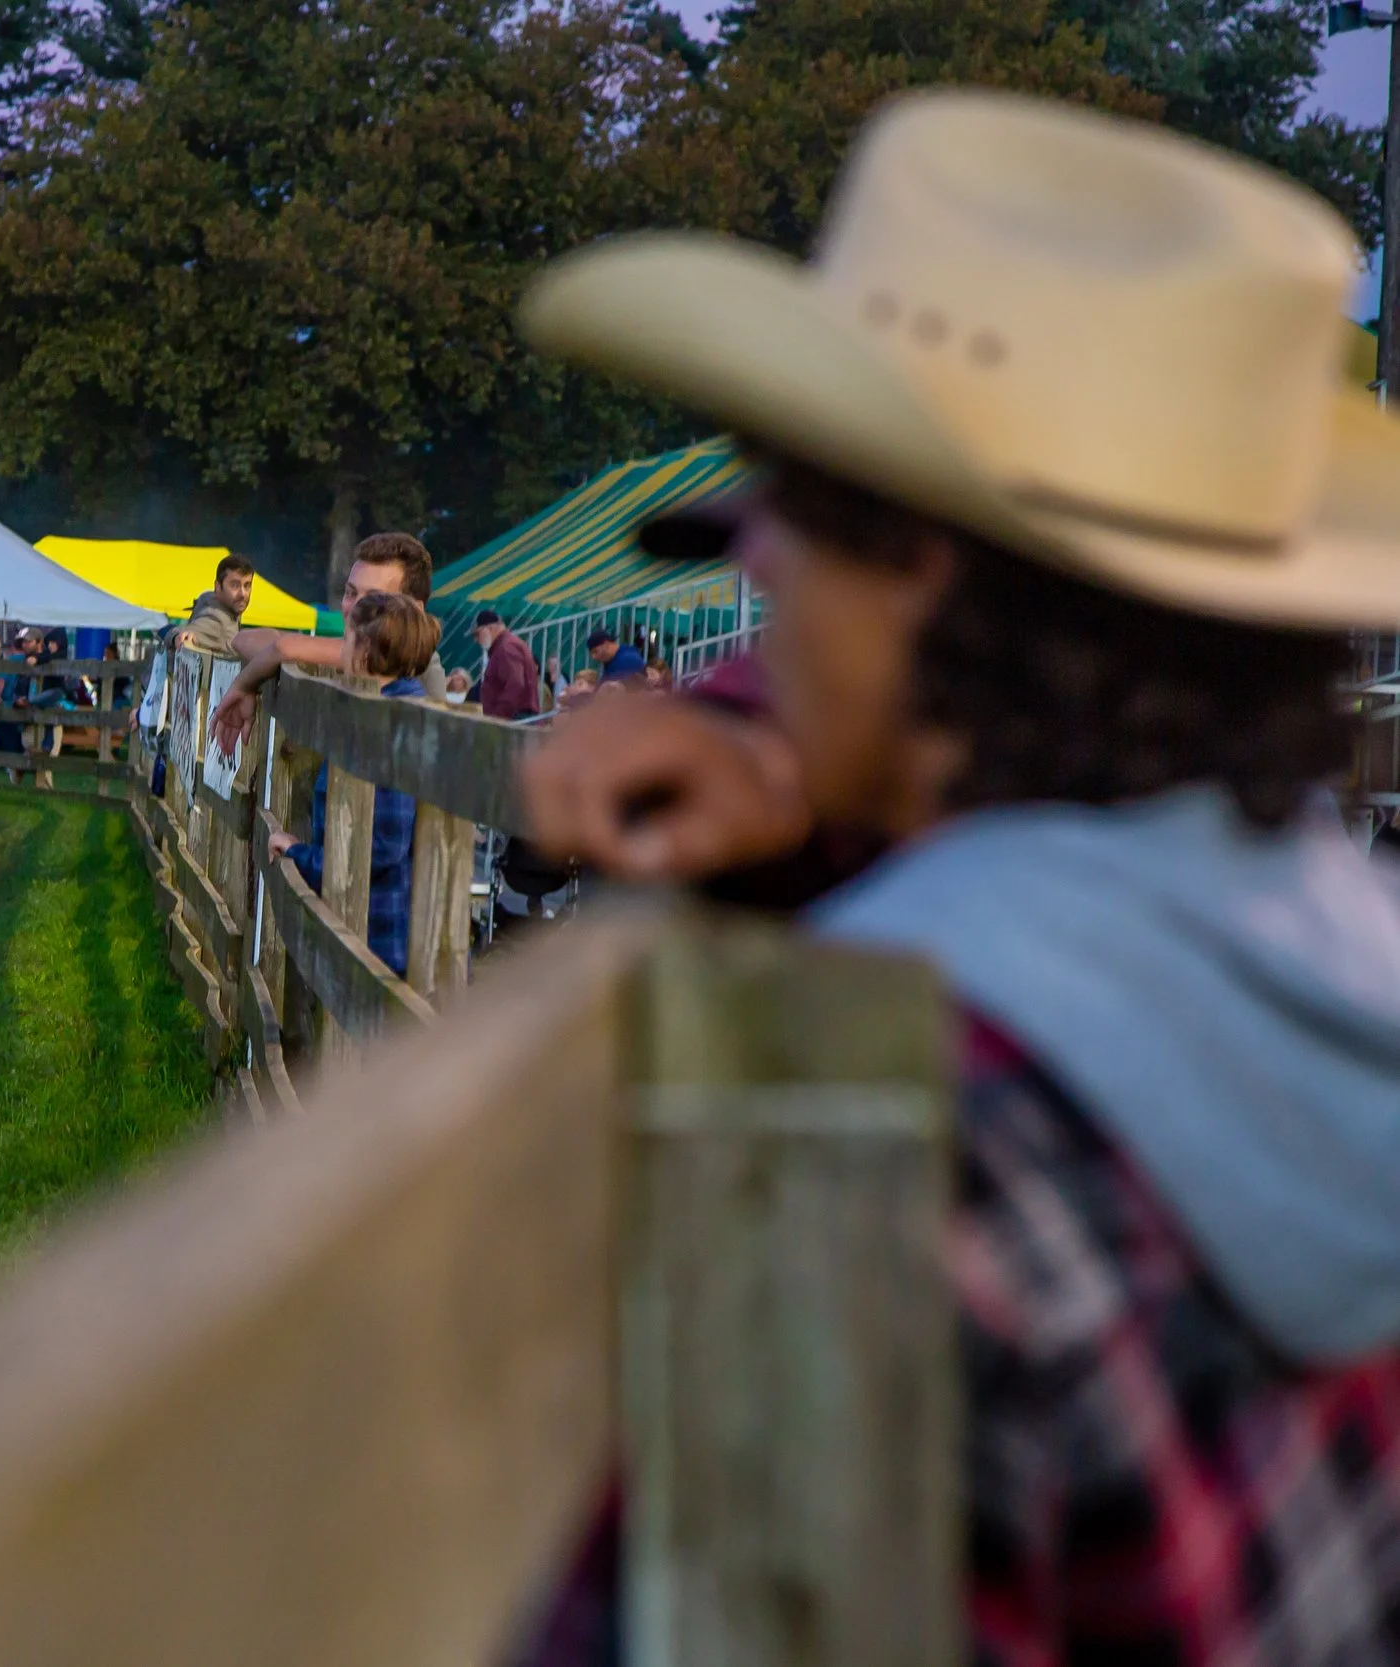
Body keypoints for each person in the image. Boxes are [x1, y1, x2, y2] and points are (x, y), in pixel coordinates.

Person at [508, 90, 1400, 1667]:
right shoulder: (1317, 936)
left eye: (781, 513)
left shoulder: (899, 1118)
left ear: (917, 555)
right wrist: (796, 766)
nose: (754, 576)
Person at [265, 591, 439, 976]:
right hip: (367, 931)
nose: (340, 649)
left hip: (378, 944)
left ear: (364, 652)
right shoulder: (379, 712)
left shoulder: (391, 725)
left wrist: (301, 856)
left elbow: (383, 847)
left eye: (346, 639)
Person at [213, 530, 442, 756]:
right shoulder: (348, 650)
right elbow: (244, 640)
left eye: (374, 599)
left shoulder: (409, 659)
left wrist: (245, 684)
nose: (354, 609)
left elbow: (284, 647)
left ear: (414, 610)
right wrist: (267, 663)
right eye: (350, 593)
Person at [178, 553, 258, 656]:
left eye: (247, 585)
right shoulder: (217, 620)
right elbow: (194, 631)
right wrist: (184, 635)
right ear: (218, 587)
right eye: (234, 585)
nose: (242, 594)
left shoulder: (224, 604)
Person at [471, 608, 541, 720]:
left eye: (477, 634)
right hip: (516, 716)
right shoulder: (506, 646)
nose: (476, 640)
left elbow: (515, 684)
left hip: (514, 719)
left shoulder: (505, 648)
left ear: (490, 628)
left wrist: (498, 716)